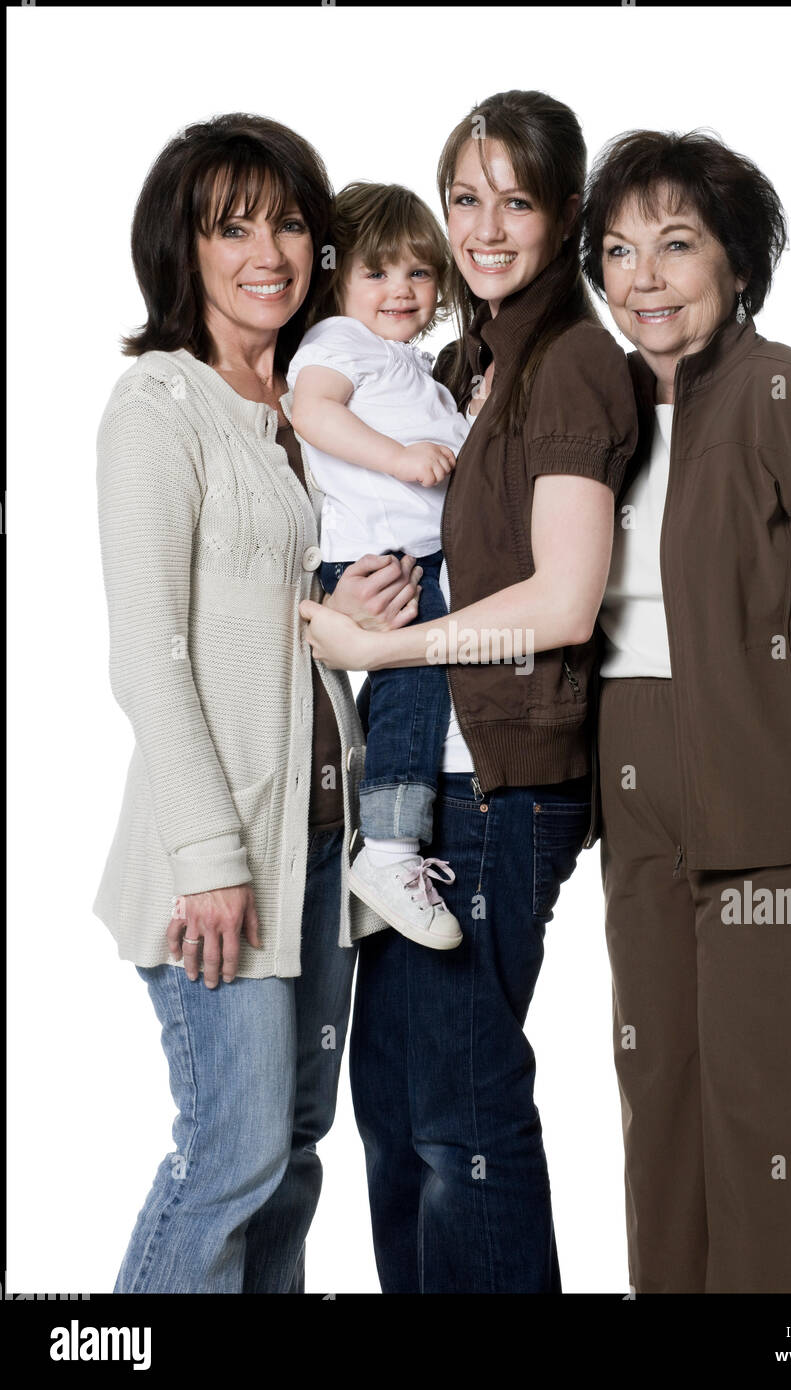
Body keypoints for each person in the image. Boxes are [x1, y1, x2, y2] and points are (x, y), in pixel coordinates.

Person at [579, 127, 791, 1293]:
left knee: (782, 1144)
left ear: (737, 261)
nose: (645, 277)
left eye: (676, 245)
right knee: (663, 1124)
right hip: (645, 823)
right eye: (620, 252)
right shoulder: (610, 417)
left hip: (787, 824)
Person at [301, 89, 638, 1293]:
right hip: (418, 788)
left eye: (516, 199)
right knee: (391, 1111)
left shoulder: (573, 363)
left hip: (499, 786)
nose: (484, 227)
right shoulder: (455, 365)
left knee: (461, 1115)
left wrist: (384, 649)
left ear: (565, 212)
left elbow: (560, 603)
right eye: (463, 198)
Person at [93, 112, 413, 1293]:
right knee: (226, 1157)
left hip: (321, 848)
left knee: (289, 1154)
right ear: (187, 246)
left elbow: (286, 630)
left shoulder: (304, 415)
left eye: (287, 221)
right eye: (233, 226)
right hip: (217, 856)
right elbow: (148, 654)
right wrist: (207, 852)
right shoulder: (161, 407)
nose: (267, 249)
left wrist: (353, 611)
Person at [289, 182, 475, 950]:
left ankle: (384, 845)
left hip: (415, 551)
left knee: (415, 686)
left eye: (419, 273)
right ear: (337, 279)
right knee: (415, 678)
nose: (401, 289)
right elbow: (313, 413)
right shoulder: (338, 343)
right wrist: (399, 457)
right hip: (376, 554)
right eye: (378, 271)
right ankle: (392, 849)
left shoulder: (409, 363)